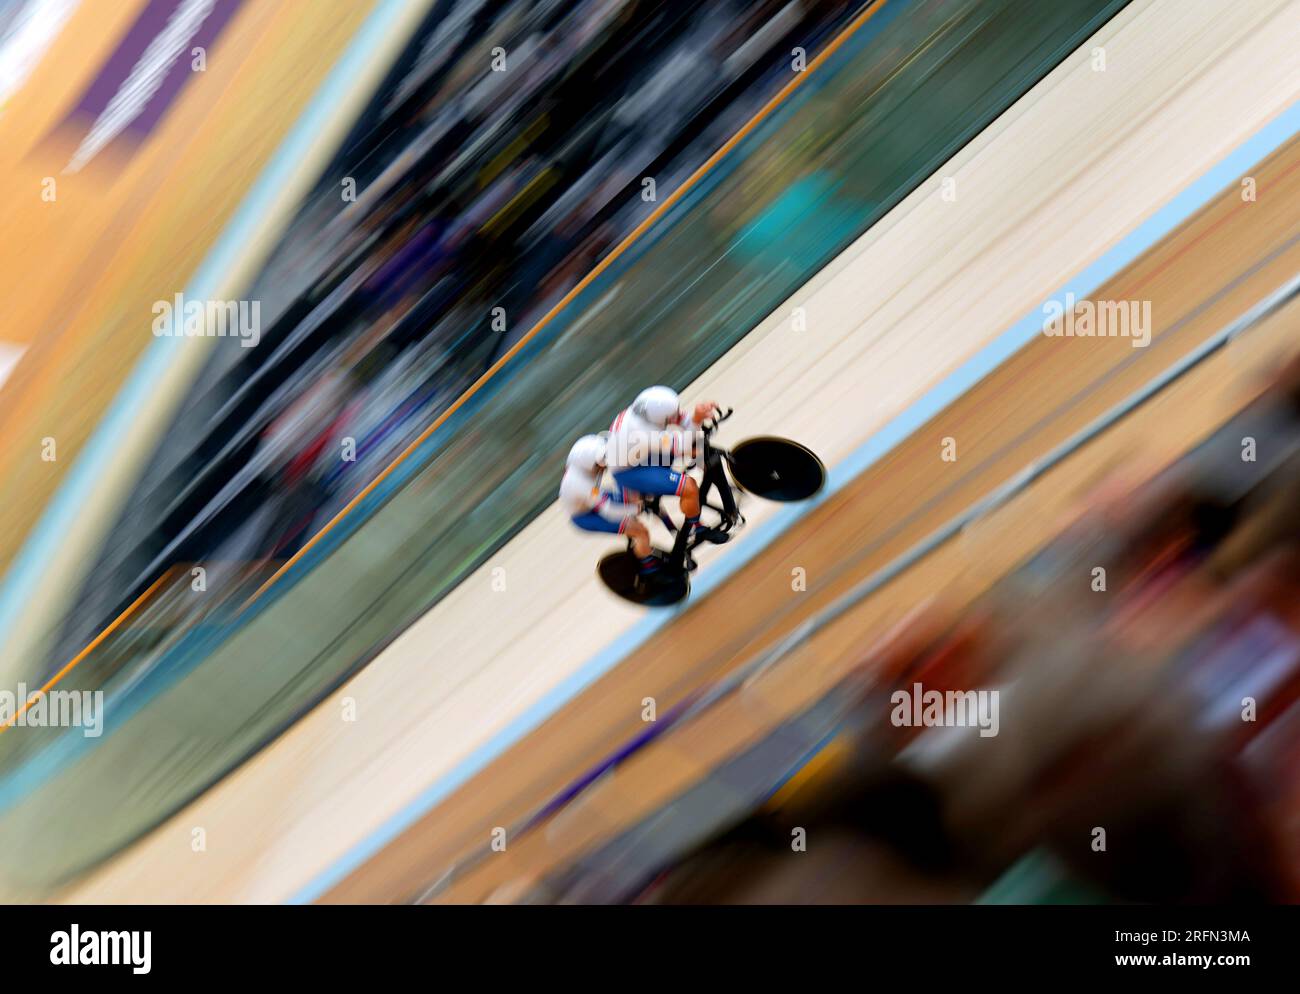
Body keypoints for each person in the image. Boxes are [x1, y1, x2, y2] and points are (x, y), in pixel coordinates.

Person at [606, 385, 727, 564]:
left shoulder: (647, 410)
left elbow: (684, 421)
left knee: (699, 450)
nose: (676, 415)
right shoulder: (643, 432)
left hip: (640, 455)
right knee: (689, 486)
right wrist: (696, 420)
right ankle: (696, 527)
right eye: (671, 415)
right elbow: (683, 445)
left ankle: (705, 493)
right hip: (631, 472)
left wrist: (698, 416)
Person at [559, 433, 659, 576]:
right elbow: (609, 511)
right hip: (586, 516)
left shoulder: (594, 448)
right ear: (592, 465)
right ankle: (650, 571)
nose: (605, 466)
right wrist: (638, 508)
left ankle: (643, 546)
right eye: (601, 465)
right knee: (641, 531)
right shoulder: (581, 485)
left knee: (635, 498)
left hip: (591, 499)